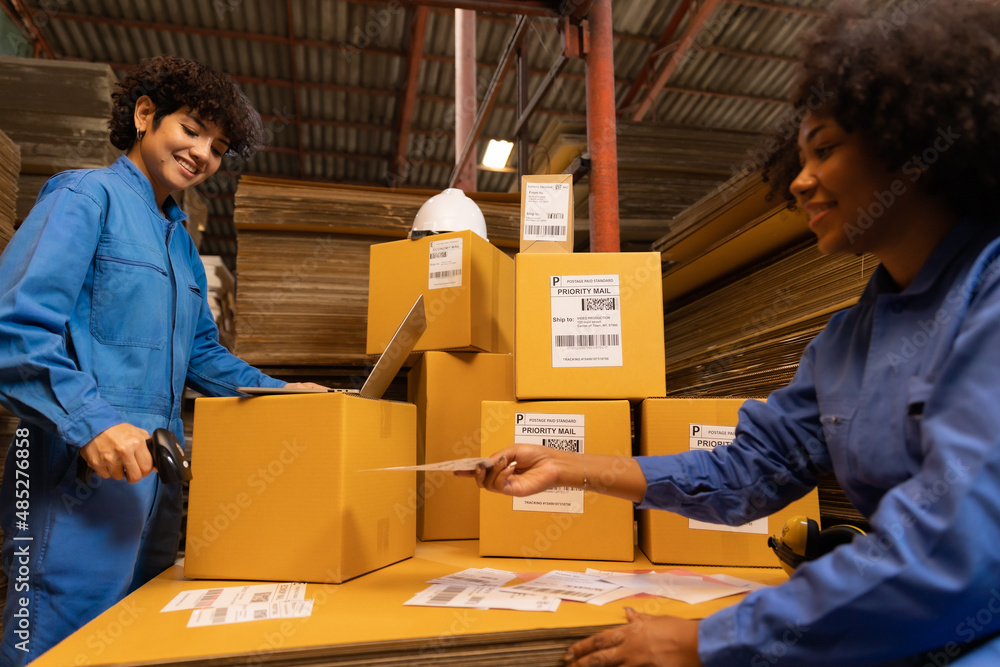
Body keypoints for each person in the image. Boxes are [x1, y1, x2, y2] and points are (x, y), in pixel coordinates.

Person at [469, 1, 1000, 665]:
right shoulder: (848, 344)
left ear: (913, 144)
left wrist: (703, 638)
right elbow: (748, 471)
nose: (801, 182)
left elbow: (953, 553)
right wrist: (571, 467)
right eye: (799, 159)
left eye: (826, 151)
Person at [0, 55, 322, 665]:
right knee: (53, 638)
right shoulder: (84, 196)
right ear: (145, 116)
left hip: (156, 473)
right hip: (76, 464)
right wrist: (92, 424)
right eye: (192, 129)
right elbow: (14, 328)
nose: (203, 154)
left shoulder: (180, 242)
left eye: (219, 146)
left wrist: (280, 392)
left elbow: (201, 354)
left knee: (130, 641)